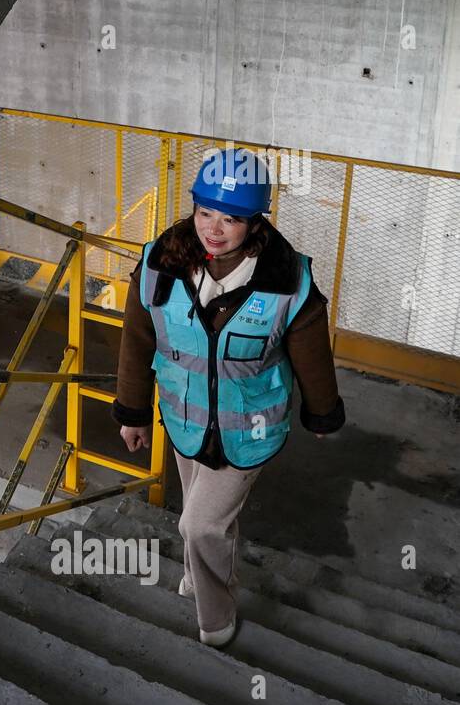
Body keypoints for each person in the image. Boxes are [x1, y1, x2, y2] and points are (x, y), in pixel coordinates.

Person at [111, 147, 345, 647]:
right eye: (205, 212)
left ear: (255, 221)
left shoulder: (287, 281)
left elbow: (311, 354)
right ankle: (200, 574)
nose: (213, 229)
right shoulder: (160, 263)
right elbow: (137, 339)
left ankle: (215, 619)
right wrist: (133, 412)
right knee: (208, 519)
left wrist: (323, 413)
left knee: (199, 526)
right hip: (185, 419)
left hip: (249, 429)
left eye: (231, 218)